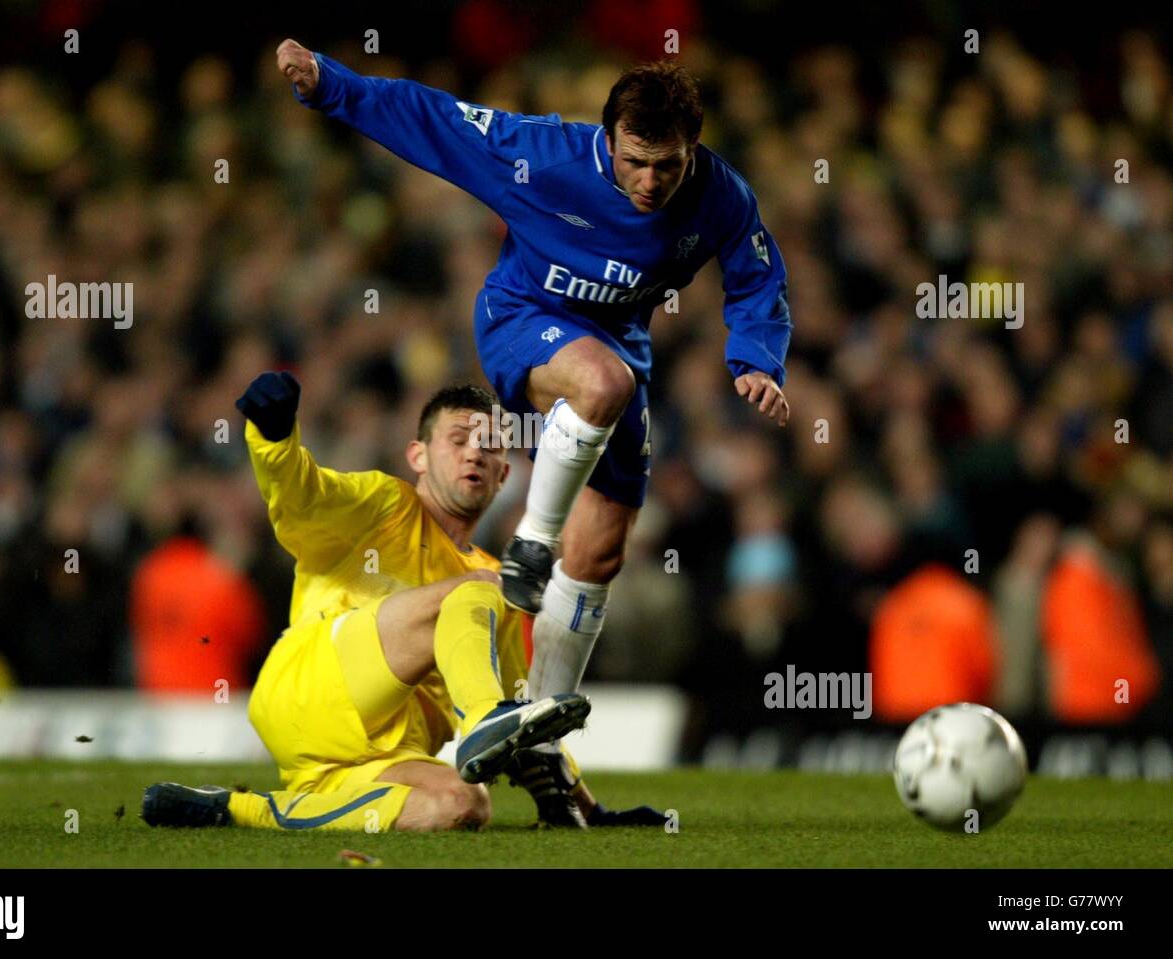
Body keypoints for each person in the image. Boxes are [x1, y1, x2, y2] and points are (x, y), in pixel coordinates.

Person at [274, 41, 792, 761]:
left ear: (692, 151)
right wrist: (330, 84)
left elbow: (756, 274)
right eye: (633, 161)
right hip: (522, 319)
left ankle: (540, 746)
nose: (647, 181)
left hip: (620, 349)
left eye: (665, 166)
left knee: (604, 548)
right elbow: (433, 118)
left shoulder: (721, 195)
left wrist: (756, 360)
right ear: (606, 138)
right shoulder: (541, 156)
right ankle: (531, 541)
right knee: (600, 385)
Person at [143, 373, 664, 830]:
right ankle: (477, 719)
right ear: (417, 455)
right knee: (478, 592)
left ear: (505, 476)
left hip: (375, 756)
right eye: (458, 439)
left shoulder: (494, 583)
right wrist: (275, 437)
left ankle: (241, 809)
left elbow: (521, 711)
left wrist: (590, 808)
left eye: (491, 446)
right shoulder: (382, 504)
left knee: (464, 806)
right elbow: (303, 497)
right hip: (309, 691)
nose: (475, 453)